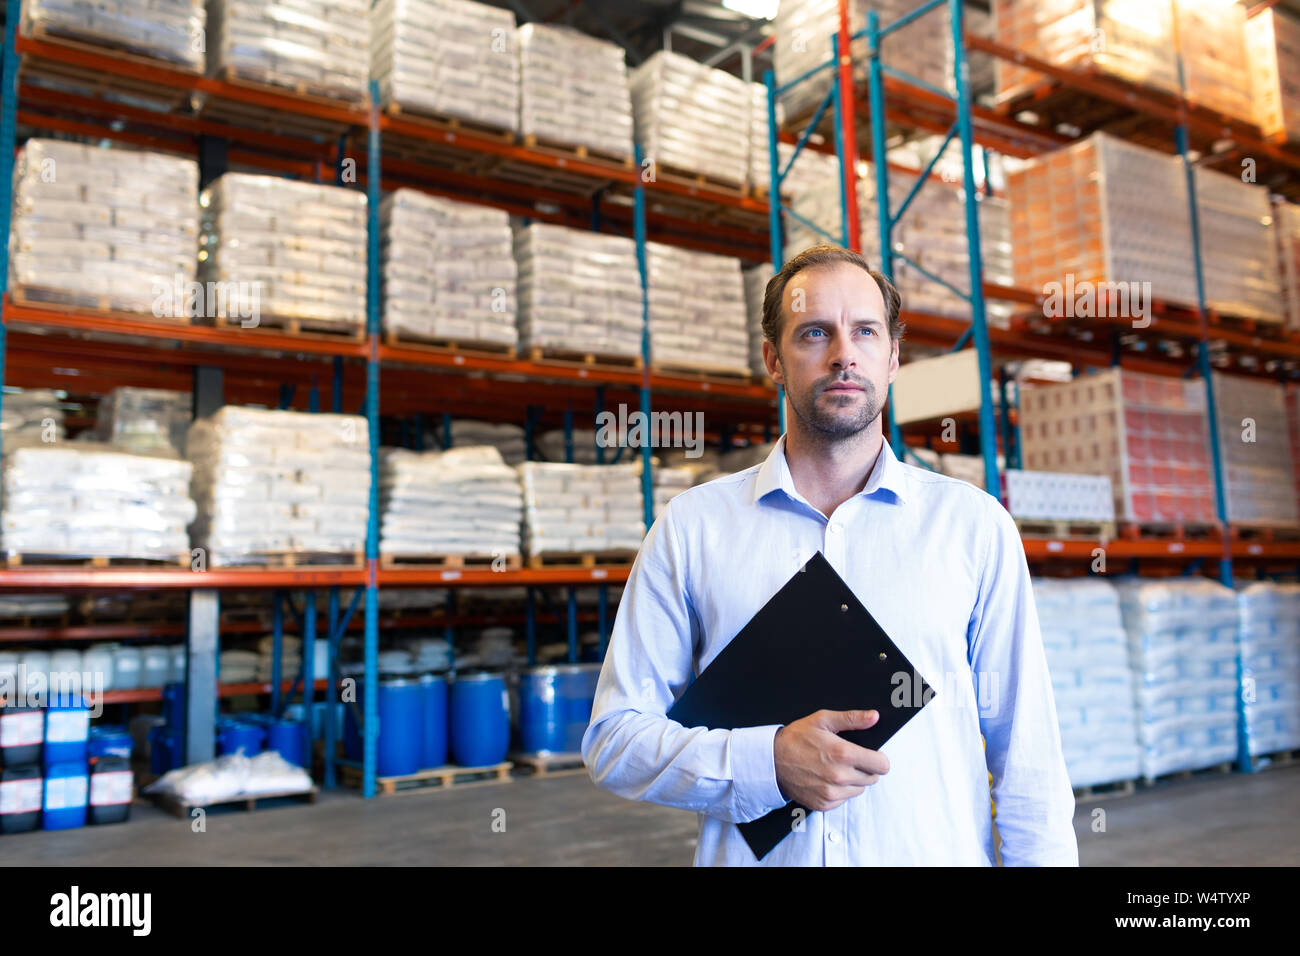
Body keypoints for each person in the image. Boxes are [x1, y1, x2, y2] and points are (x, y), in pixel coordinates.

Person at [582, 243, 1078, 866]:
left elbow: (1027, 753)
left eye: (865, 331)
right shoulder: (692, 531)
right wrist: (766, 761)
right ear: (774, 360)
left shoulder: (974, 529)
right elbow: (615, 741)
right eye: (815, 332)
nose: (844, 354)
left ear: (894, 358)